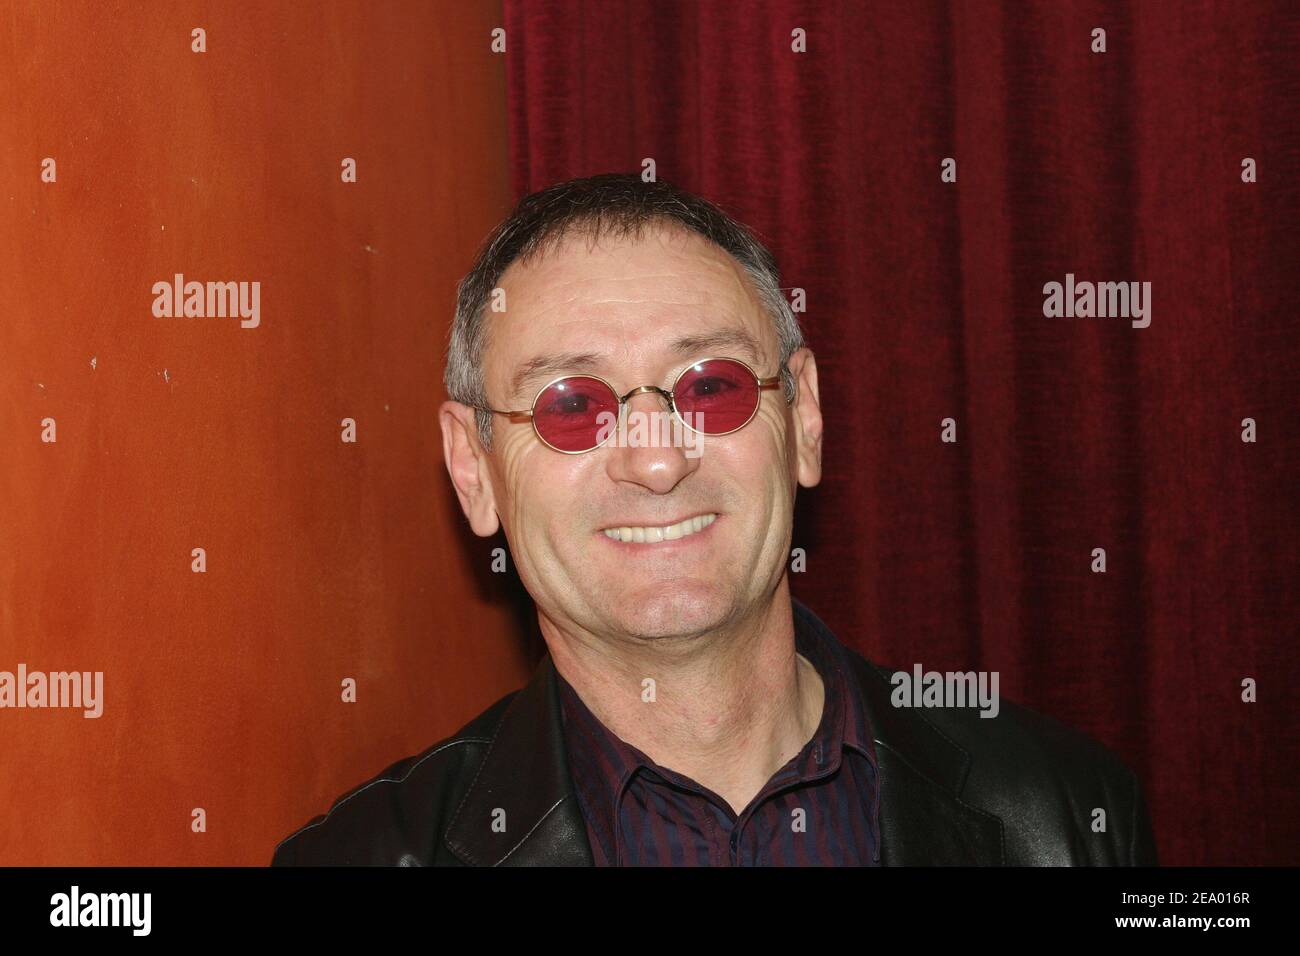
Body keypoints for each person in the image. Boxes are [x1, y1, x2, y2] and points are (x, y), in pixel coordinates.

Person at [271, 173, 1157, 866]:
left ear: (802, 419)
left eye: (711, 387)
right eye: (572, 404)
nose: (657, 460)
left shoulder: (1071, 815)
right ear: (475, 470)